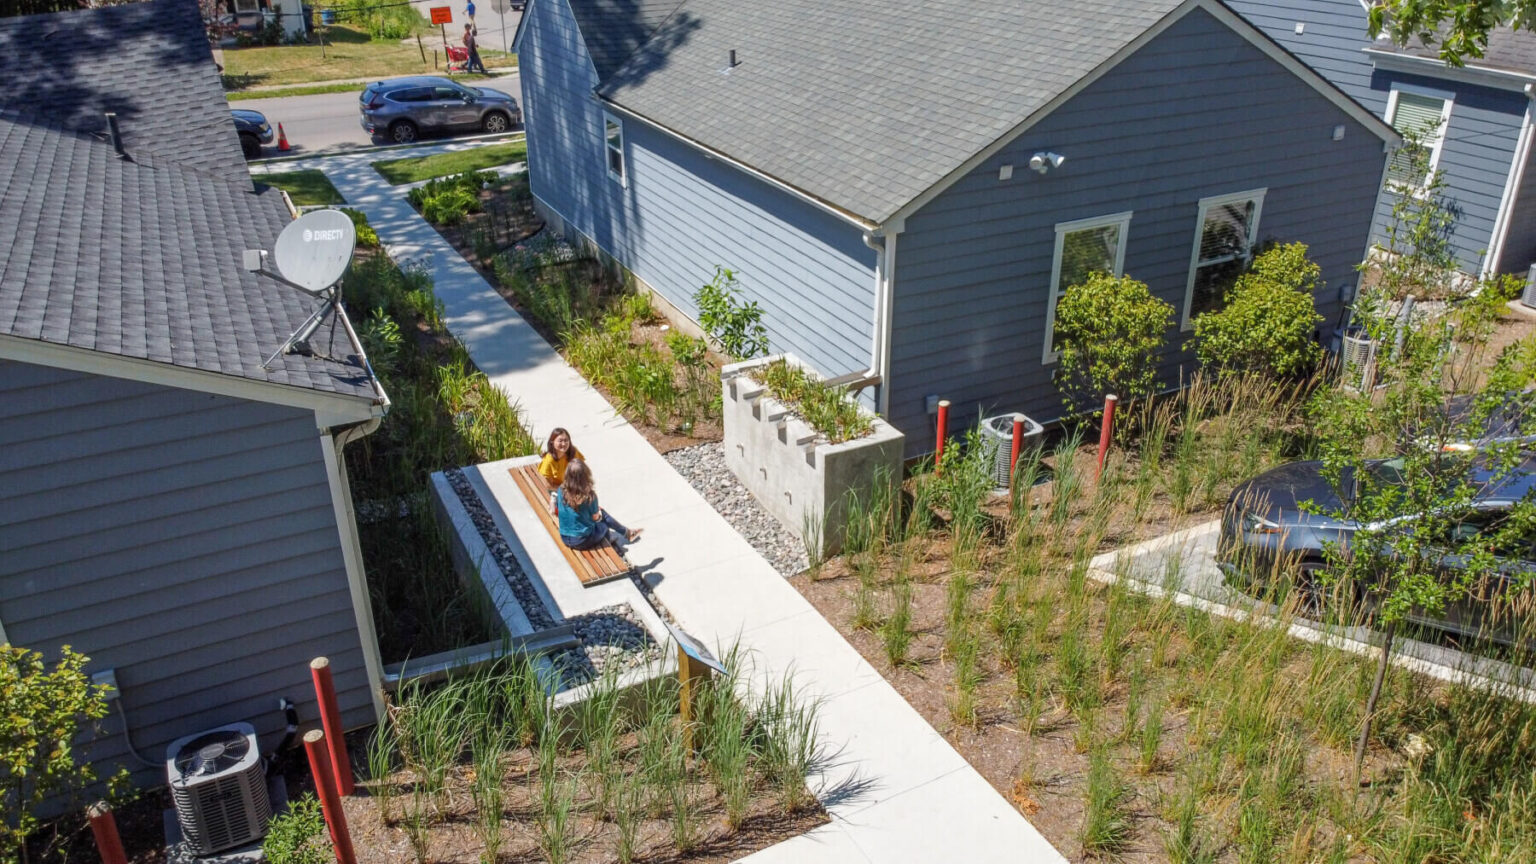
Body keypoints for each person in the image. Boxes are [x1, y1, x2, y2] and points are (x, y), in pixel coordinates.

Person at [556, 460, 641, 552]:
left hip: (564, 537)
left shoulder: (561, 490)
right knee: (604, 524)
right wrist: (599, 514)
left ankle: (627, 533)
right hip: (581, 541)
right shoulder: (589, 497)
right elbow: (596, 518)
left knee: (601, 516)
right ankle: (613, 547)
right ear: (586, 475)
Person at [537, 427, 583, 512]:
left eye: (566, 440)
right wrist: (566, 490)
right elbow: (548, 485)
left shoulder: (573, 452)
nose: (564, 443)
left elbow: (582, 470)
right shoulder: (549, 460)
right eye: (560, 441)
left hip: (573, 486)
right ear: (552, 442)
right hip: (557, 489)